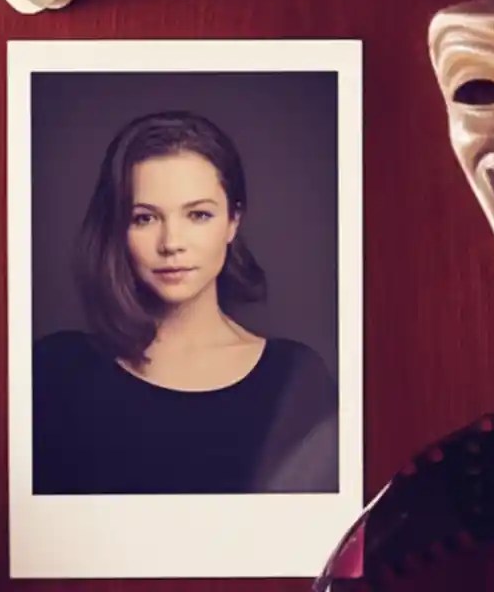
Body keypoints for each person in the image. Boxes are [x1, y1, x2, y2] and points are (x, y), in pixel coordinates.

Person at [32, 110, 338, 495]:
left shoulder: (295, 378)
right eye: (144, 218)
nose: (171, 243)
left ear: (233, 221)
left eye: (198, 215)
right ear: (117, 228)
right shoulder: (56, 370)